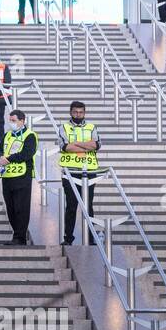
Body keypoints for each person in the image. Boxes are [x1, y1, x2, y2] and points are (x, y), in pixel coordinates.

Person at [59, 100, 101, 246]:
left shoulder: (91, 127)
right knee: (71, 206)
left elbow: (96, 145)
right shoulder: (64, 127)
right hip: (70, 172)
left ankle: (91, 238)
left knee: (88, 206)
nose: (78, 115)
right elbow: (65, 147)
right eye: (76, 112)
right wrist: (86, 145)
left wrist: (76, 144)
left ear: (84, 113)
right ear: (71, 112)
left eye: (81, 112)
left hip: (88, 170)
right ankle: (68, 238)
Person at [0, 109, 36, 246]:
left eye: (14, 120)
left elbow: (26, 154)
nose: (11, 123)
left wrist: (8, 159)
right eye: (10, 120)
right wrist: (0, 157)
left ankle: (20, 237)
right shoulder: (7, 135)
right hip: (7, 175)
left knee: (21, 207)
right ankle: (16, 236)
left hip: (22, 176)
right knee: (11, 208)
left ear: (22, 121)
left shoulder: (30, 135)